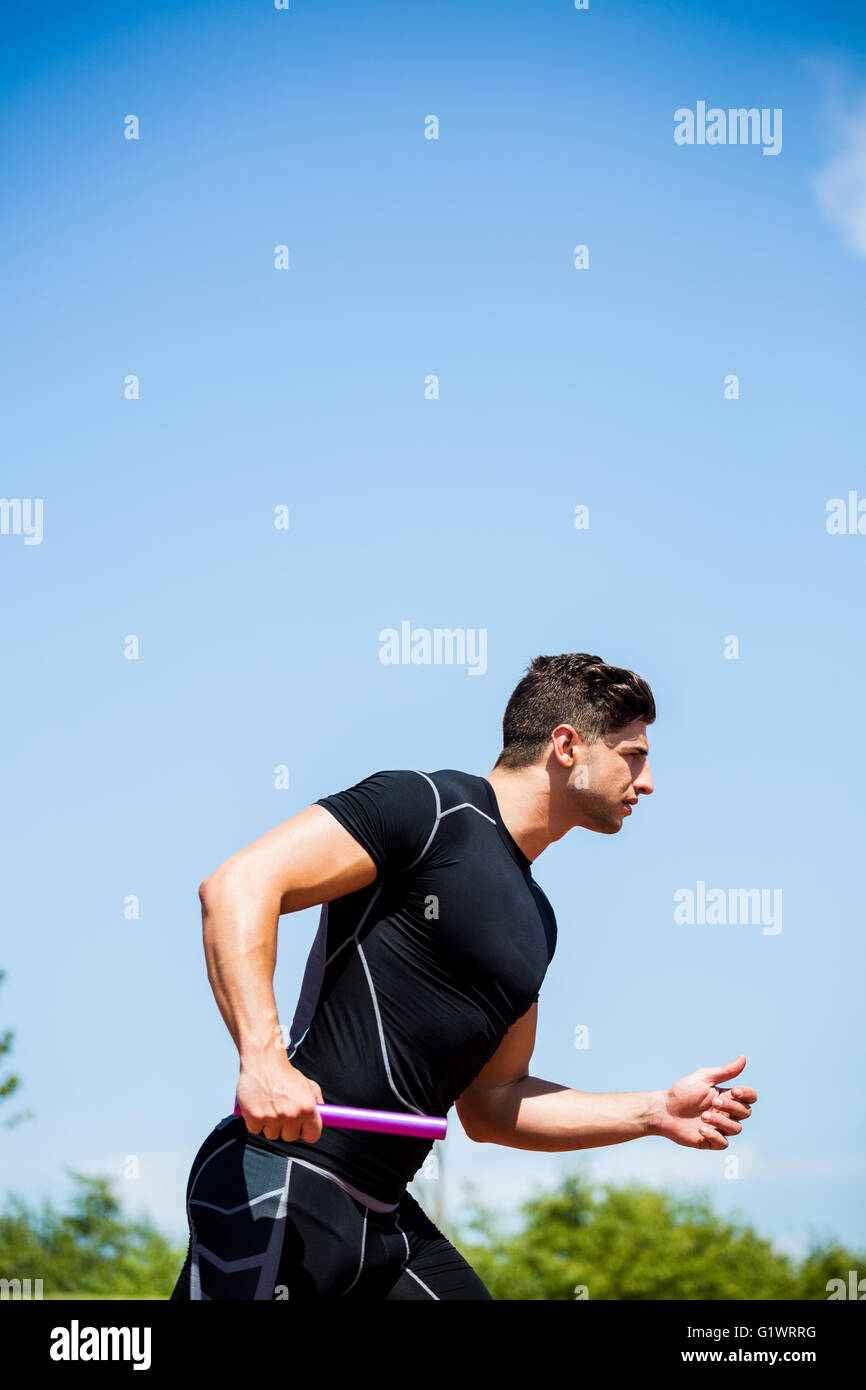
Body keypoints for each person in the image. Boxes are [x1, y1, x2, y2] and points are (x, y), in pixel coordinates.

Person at [171, 652, 757, 1300]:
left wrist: (652, 1111)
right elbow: (239, 884)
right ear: (567, 746)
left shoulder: (538, 923)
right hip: (286, 1178)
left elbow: (494, 1103)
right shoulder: (424, 809)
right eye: (633, 755)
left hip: (389, 1223)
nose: (646, 782)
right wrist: (262, 1059)